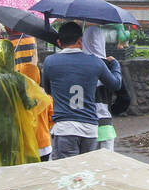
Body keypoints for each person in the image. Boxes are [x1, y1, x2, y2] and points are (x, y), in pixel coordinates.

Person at [0, 38, 52, 177]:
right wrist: (38, 100)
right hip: (10, 129)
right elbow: (27, 105)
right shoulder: (18, 79)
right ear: (11, 58)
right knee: (9, 170)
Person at [40, 21, 122, 159]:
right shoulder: (96, 62)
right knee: (87, 173)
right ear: (80, 40)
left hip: (65, 128)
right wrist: (115, 64)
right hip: (89, 129)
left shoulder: (50, 62)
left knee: (67, 174)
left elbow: (48, 91)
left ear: (59, 42)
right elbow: (116, 84)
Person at [13, 35, 53, 161]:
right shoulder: (46, 97)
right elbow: (52, 118)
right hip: (44, 143)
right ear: (38, 77)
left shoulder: (17, 98)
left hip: (26, 144)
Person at [83, 25, 118, 151]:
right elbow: (122, 93)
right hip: (105, 124)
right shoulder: (108, 66)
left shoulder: (80, 65)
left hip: (86, 123)